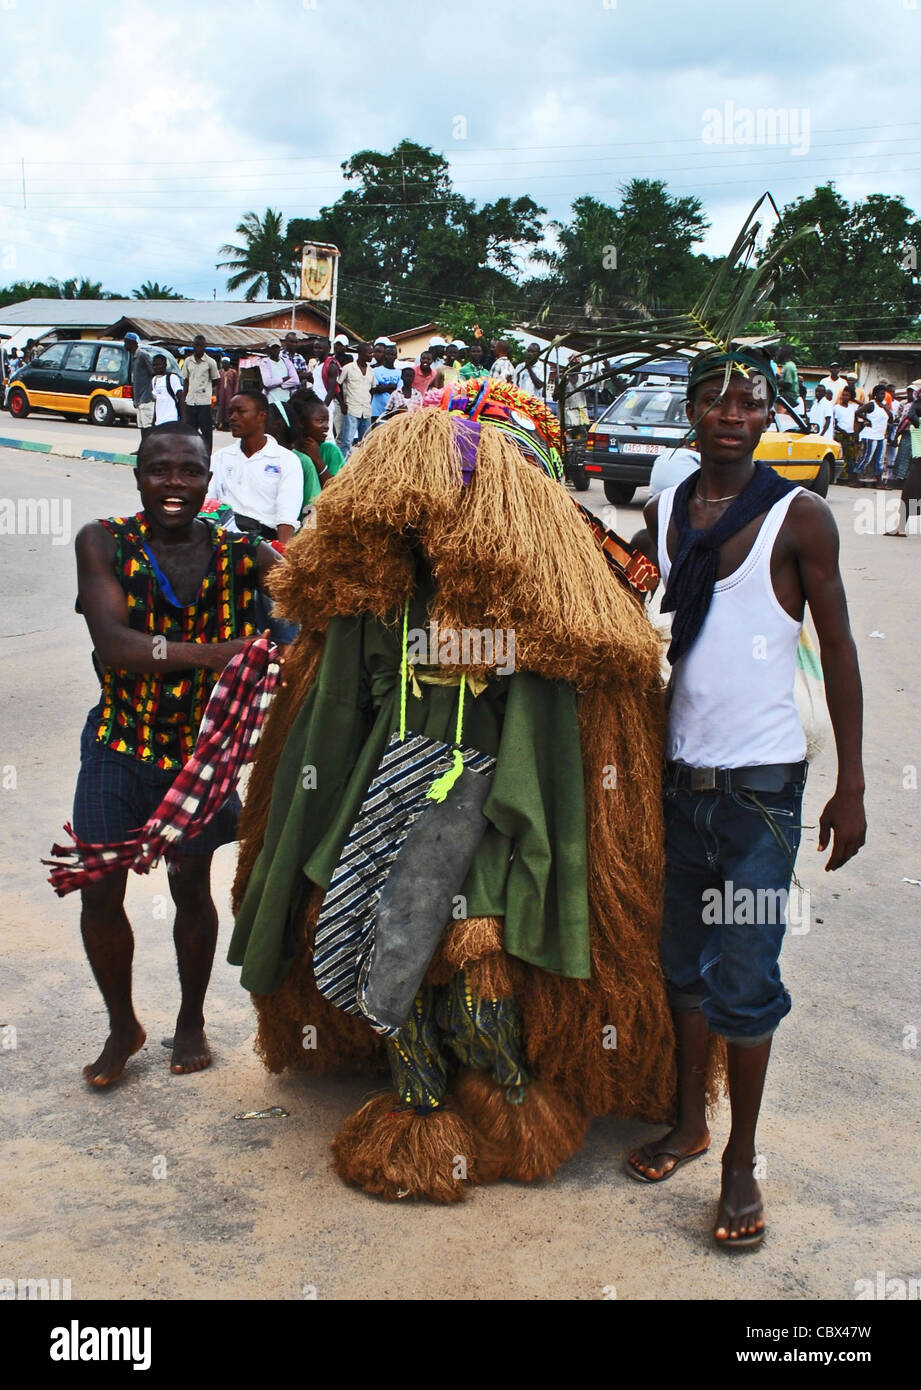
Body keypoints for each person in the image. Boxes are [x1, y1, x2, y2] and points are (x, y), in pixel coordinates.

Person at [227, 378, 674, 1205]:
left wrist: (497, 830)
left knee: (476, 984)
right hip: (382, 802)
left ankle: (511, 1103)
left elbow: (539, 743)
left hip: (490, 817)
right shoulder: (378, 598)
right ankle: (419, 1111)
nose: (437, 521)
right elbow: (337, 717)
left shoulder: (529, 609)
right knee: (385, 961)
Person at [626, 348, 865, 1250]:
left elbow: (838, 647)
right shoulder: (662, 514)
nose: (731, 412)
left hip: (762, 791)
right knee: (681, 966)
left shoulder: (799, 519)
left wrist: (850, 782)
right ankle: (688, 1123)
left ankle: (738, 1163)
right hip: (677, 782)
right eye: (715, 400)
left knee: (746, 981)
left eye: (749, 401)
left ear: (769, 417)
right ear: (689, 412)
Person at [68, 421, 280, 1086]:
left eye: (188, 470)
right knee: (98, 886)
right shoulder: (103, 541)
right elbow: (116, 644)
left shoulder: (244, 554)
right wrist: (219, 655)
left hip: (200, 757)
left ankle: (189, 1022)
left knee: (191, 885)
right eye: (160, 469)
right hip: (121, 743)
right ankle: (121, 1025)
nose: (174, 483)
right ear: (138, 477)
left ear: (206, 480)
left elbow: (304, 615)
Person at [206, 390, 304, 543]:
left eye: (241, 412)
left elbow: (286, 517)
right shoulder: (220, 457)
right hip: (222, 539)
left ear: (261, 416)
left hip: (264, 542)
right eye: (231, 412)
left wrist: (281, 559)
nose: (232, 418)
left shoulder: (286, 461)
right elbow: (208, 503)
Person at [288, 388, 345, 512]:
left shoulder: (330, 451)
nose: (326, 426)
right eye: (320, 421)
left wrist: (318, 460)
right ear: (300, 422)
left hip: (320, 521)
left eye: (327, 420)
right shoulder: (288, 453)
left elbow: (338, 493)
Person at [886, 399, 921, 536]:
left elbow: (910, 414)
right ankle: (900, 529)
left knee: (908, 495)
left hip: (919, 463)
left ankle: (900, 529)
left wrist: (915, 402)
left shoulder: (916, 422)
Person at [180, 335, 220, 453]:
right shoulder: (188, 361)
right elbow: (186, 380)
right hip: (191, 401)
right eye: (196, 345)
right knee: (190, 431)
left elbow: (216, 380)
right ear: (193, 346)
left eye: (200, 345)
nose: (198, 348)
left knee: (206, 431)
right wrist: (185, 397)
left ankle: (207, 454)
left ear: (204, 347)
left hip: (204, 402)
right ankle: (190, 453)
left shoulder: (210, 362)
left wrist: (206, 390)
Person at [338, 341, 374, 456]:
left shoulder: (371, 370)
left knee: (366, 442)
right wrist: (342, 403)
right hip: (352, 409)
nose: (371, 355)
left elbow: (372, 389)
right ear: (361, 353)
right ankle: (343, 468)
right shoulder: (348, 368)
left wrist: (369, 402)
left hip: (366, 410)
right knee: (347, 441)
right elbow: (338, 385)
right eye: (369, 353)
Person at [854, 384, 891, 488]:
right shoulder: (871, 404)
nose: (883, 395)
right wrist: (867, 420)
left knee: (879, 460)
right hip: (870, 435)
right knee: (866, 457)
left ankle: (879, 482)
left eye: (884, 393)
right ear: (875, 395)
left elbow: (891, 418)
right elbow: (858, 412)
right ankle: (856, 479)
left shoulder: (884, 405)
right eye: (881, 393)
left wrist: (885, 407)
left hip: (881, 436)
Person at [124, 332, 156, 442]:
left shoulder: (143, 355)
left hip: (146, 397)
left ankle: (148, 448)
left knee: (148, 426)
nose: (124, 344)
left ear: (131, 343)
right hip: (139, 399)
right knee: (142, 425)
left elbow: (153, 372)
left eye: (126, 342)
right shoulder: (134, 357)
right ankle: (143, 448)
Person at [259, 340, 299, 415]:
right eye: (272, 348)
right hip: (271, 401)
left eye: (277, 348)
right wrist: (283, 379)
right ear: (268, 349)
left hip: (286, 400)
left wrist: (280, 385)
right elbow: (267, 382)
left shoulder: (286, 361)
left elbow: (296, 380)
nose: (275, 350)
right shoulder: (264, 362)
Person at [833, 382, 860, 483]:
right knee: (841, 456)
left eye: (847, 395)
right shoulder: (836, 408)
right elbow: (834, 423)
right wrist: (842, 431)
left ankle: (849, 477)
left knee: (851, 457)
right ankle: (839, 477)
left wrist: (854, 400)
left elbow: (863, 406)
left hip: (850, 434)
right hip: (840, 434)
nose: (844, 397)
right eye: (843, 394)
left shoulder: (853, 408)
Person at [370, 341, 401, 422]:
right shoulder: (375, 371)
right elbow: (375, 389)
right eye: (387, 354)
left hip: (393, 411)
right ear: (384, 355)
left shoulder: (400, 373)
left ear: (396, 356)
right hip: (376, 411)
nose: (389, 357)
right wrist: (391, 387)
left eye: (392, 354)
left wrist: (383, 387)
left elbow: (399, 391)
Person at [150, 353, 183, 426]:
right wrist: (153, 421)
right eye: (154, 365)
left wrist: (183, 421)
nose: (155, 367)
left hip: (171, 420)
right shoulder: (154, 380)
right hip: (158, 422)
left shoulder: (172, 378)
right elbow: (157, 402)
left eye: (158, 365)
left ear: (165, 365)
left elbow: (181, 399)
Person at [215, 357, 238, 431]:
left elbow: (236, 384)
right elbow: (217, 385)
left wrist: (235, 394)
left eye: (225, 363)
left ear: (228, 364)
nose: (224, 365)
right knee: (221, 408)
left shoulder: (233, 372)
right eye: (223, 363)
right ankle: (222, 424)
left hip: (230, 393)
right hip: (221, 393)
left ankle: (228, 424)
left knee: (229, 408)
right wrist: (216, 395)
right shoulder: (219, 372)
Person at [776, 345, 799, 409]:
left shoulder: (789, 366)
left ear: (784, 353)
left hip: (788, 397)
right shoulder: (787, 365)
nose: (778, 354)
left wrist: (774, 381)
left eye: (780, 352)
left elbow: (788, 384)